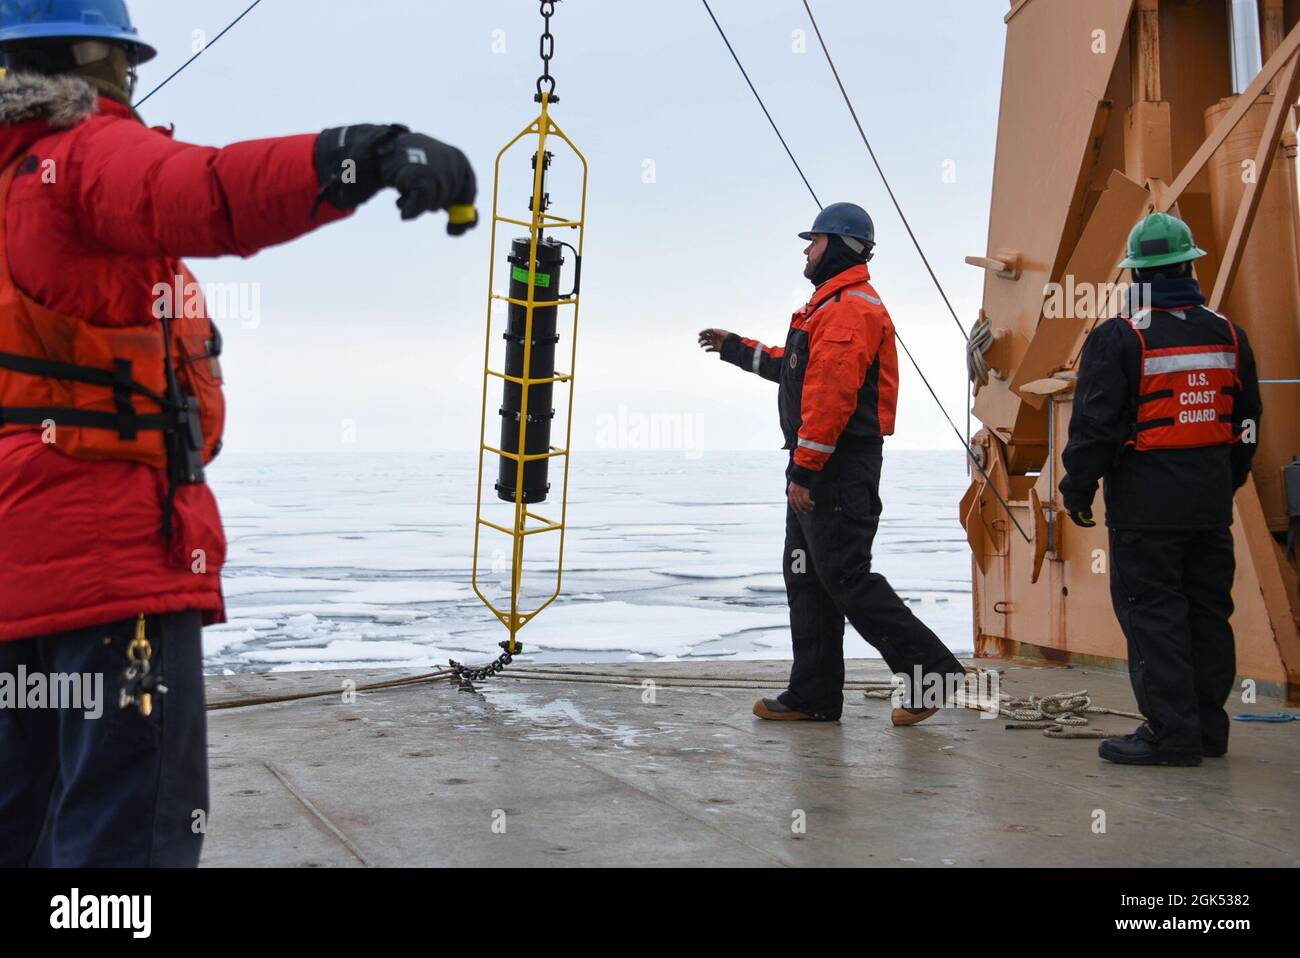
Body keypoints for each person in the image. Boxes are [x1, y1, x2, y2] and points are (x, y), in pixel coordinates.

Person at [0, 0, 477, 866]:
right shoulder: (79, 154)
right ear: (90, 61)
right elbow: (208, 191)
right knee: (125, 836)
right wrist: (356, 155)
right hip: (110, 565)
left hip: (18, 571)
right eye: (122, 67)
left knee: (23, 817)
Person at [699, 202, 967, 724]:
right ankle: (815, 694)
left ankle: (932, 672)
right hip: (823, 465)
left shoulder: (849, 310)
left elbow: (831, 397)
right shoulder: (825, 309)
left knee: (845, 576)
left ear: (840, 246)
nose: (806, 248)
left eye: (814, 240)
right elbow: (794, 369)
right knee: (810, 578)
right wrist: (736, 348)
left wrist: (806, 471)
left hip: (837, 469)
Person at [1060, 212, 1261, 767]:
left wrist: (1077, 489)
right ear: (1190, 265)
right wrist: (1225, 480)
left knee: (1153, 615)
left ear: (1135, 276)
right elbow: (1248, 424)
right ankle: (1206, 730)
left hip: (1146, 511)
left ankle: (1171, 736)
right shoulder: (1229, 333)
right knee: (1206, 614)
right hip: (1208, 506)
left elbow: (1095, 427)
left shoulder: (1120, 337)